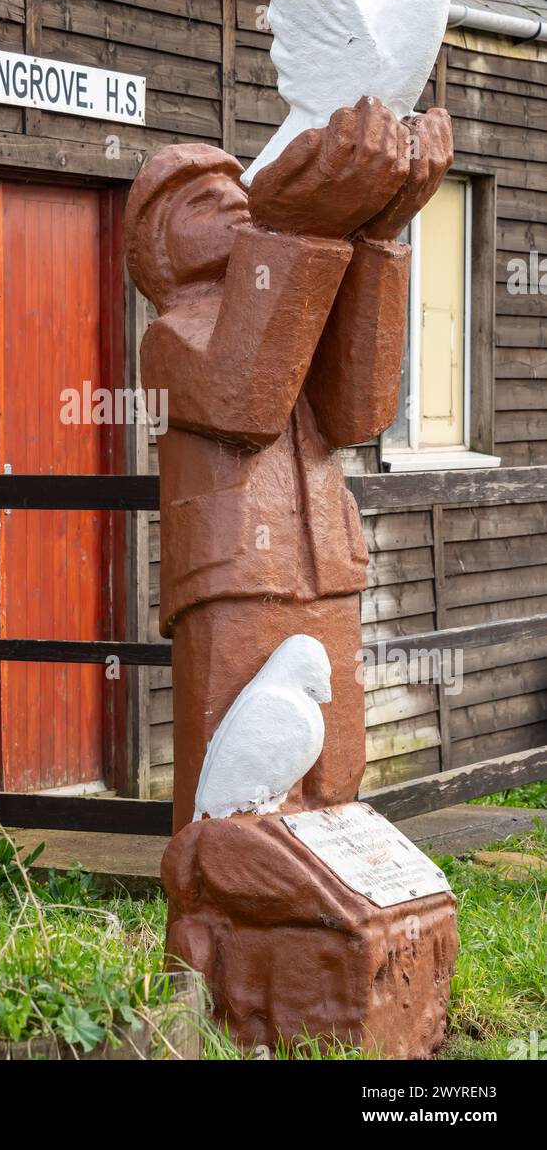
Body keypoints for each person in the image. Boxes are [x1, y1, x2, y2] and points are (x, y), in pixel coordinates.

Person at [125, 97, 453, 831]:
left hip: (325, 564)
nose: (236, 207)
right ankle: (229, 892)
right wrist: (298, 227)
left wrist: (377, 237)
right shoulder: (172, 336)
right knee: (238, 756)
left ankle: (333, 866)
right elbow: (249, 404)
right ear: (158, 246)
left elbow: (358, 415)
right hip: (235, 574)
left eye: (240, 193)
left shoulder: (282, 294)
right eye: (204, 202)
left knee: (334, 754)